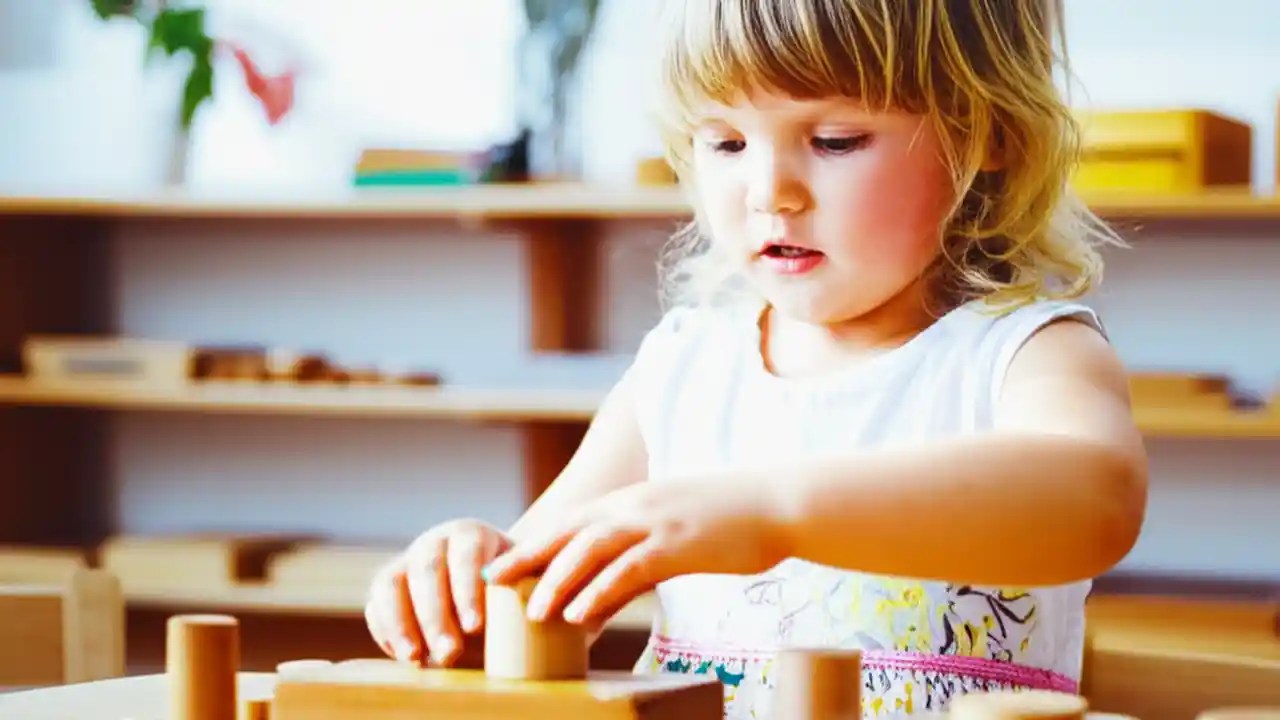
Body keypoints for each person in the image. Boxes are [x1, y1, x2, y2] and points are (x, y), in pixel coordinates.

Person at [364, 0, 1149, 716]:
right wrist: (461, 583)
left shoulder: (1025, 351)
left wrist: (774, 514)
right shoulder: (683, 370)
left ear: (991, 136)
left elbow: (1095, 501)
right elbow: (540, 585)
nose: (770, 190)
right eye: (727, 141)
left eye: (834, 140)